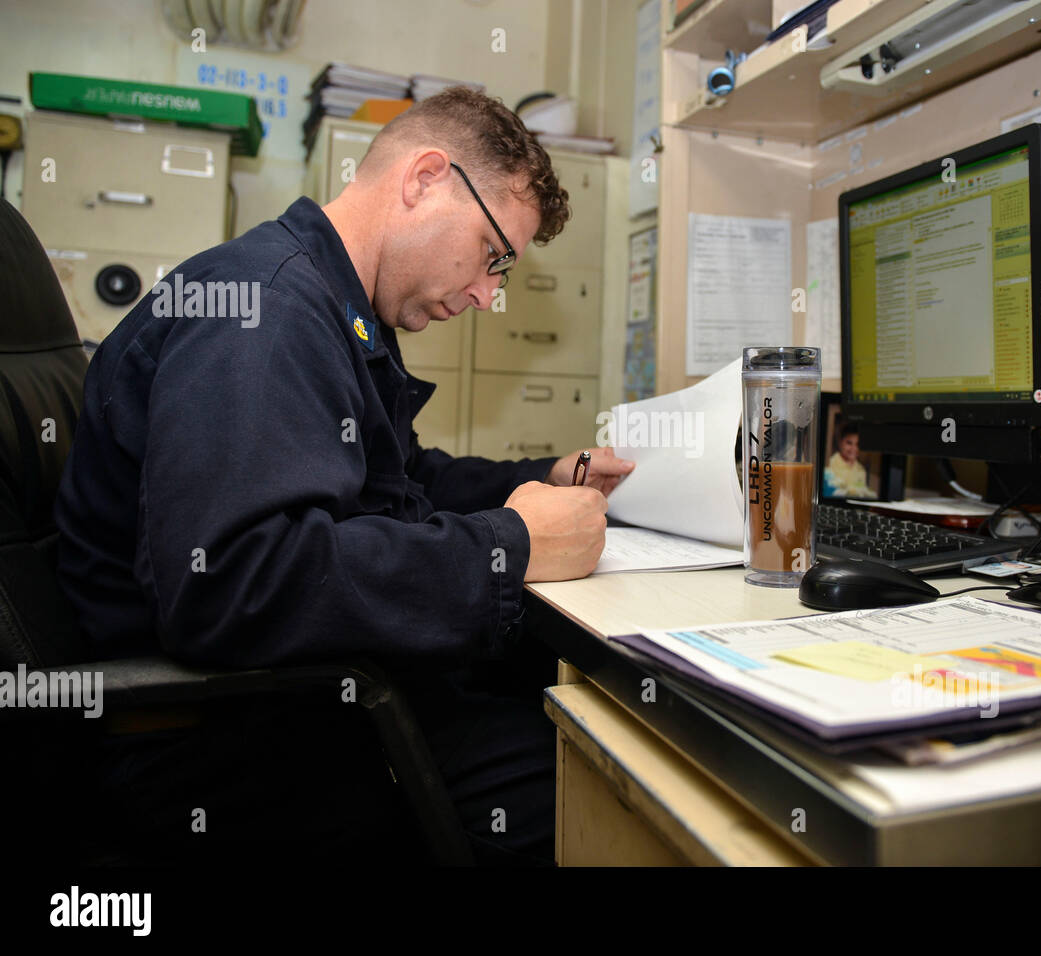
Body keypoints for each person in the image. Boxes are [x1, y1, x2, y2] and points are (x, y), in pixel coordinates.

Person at [53, 87, 632, 866]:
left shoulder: (329, 303)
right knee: (596, 790)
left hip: (302, 694)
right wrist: (513, 546)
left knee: (560, 706)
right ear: (426, 177)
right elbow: (236, 585)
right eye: (494, 257)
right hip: (225, 744)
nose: (488, 296)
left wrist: (547, 475)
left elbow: (400, 479)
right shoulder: (263, 309)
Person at [823, 419, 870, 498]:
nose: (854, 448)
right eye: (849, 443)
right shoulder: (829, 465)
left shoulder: (861, 470)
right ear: (840, 442)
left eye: (858, 444)